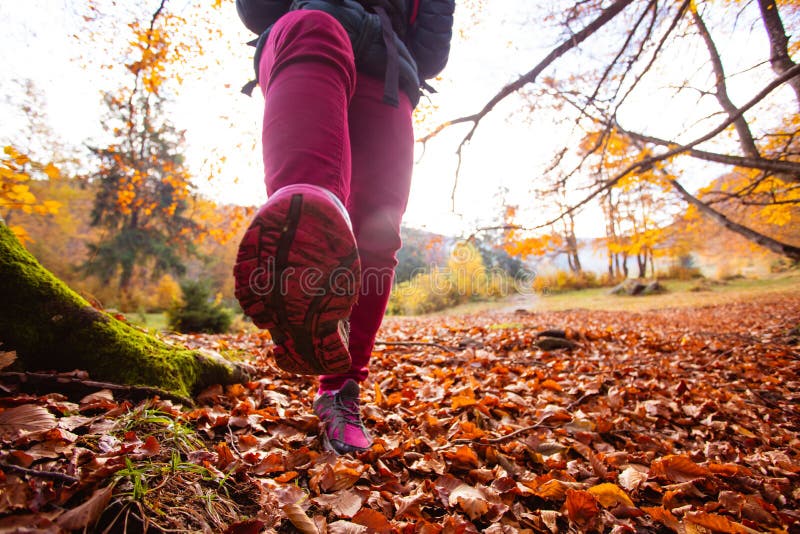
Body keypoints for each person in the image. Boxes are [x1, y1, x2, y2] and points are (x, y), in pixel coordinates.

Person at [234, 0, 454, 454]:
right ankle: (301, 252)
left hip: (391, 70)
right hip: (307, 32)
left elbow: (432, 56)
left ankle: (339, 390)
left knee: (380, 235)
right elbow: (255, 11)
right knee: (312, 203)